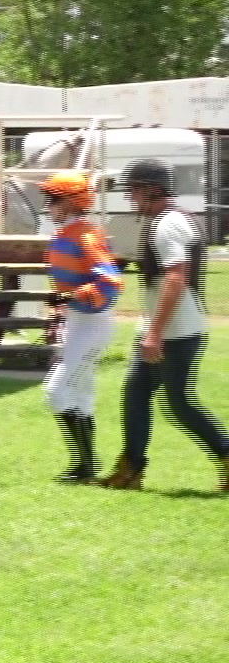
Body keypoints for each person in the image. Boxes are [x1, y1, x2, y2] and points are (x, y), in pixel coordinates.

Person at [101, 159, 228, 492]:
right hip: (165, 327)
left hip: (176, 330)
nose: (130, 197)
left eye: (134, 190)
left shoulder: (167, 224)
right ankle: (131, 469)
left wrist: (155, 332)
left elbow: (175, 277)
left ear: (151, 189)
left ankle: (226, 455)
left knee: (179, 404)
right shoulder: (166, 220)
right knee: (136, 391)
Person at [38, 171, 122, 484]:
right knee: (80, 397)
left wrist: (71, 296)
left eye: (53, 199)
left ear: (72, 202)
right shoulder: (71, 232)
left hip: (91, 326)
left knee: (55, 392)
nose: (47, 205)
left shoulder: (84, 235)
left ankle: (85, 464)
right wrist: (66, 303)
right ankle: (85, 467)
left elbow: (111, 281)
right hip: (79, 324)